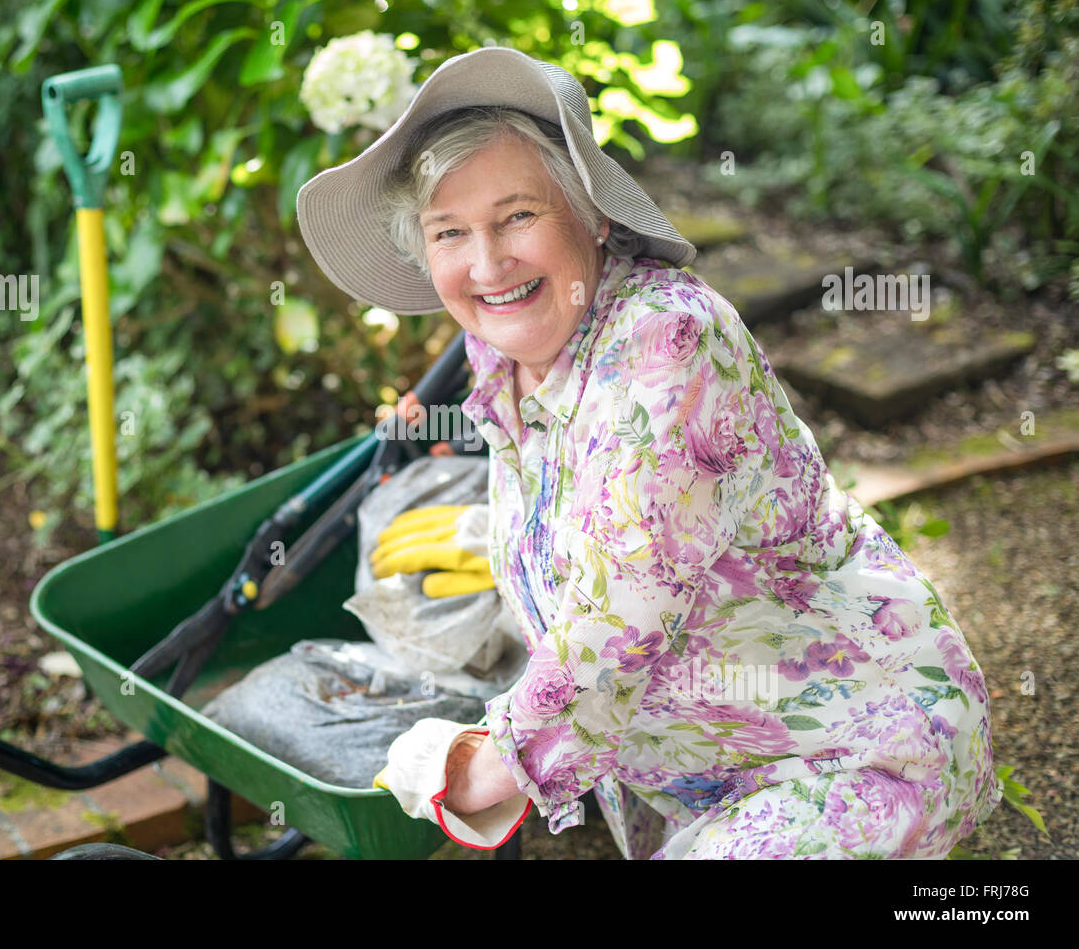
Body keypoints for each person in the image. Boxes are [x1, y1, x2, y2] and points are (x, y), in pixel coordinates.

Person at [296, 46, 1002, 859]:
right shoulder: (507, 354)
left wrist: (475, 765)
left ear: (593, 214)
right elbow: (599, 513)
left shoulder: (667, 338)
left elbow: (620, 612)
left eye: (518, 215)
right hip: (709, 771)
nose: (487, 264)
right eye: (451, 232)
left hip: (853, 756)